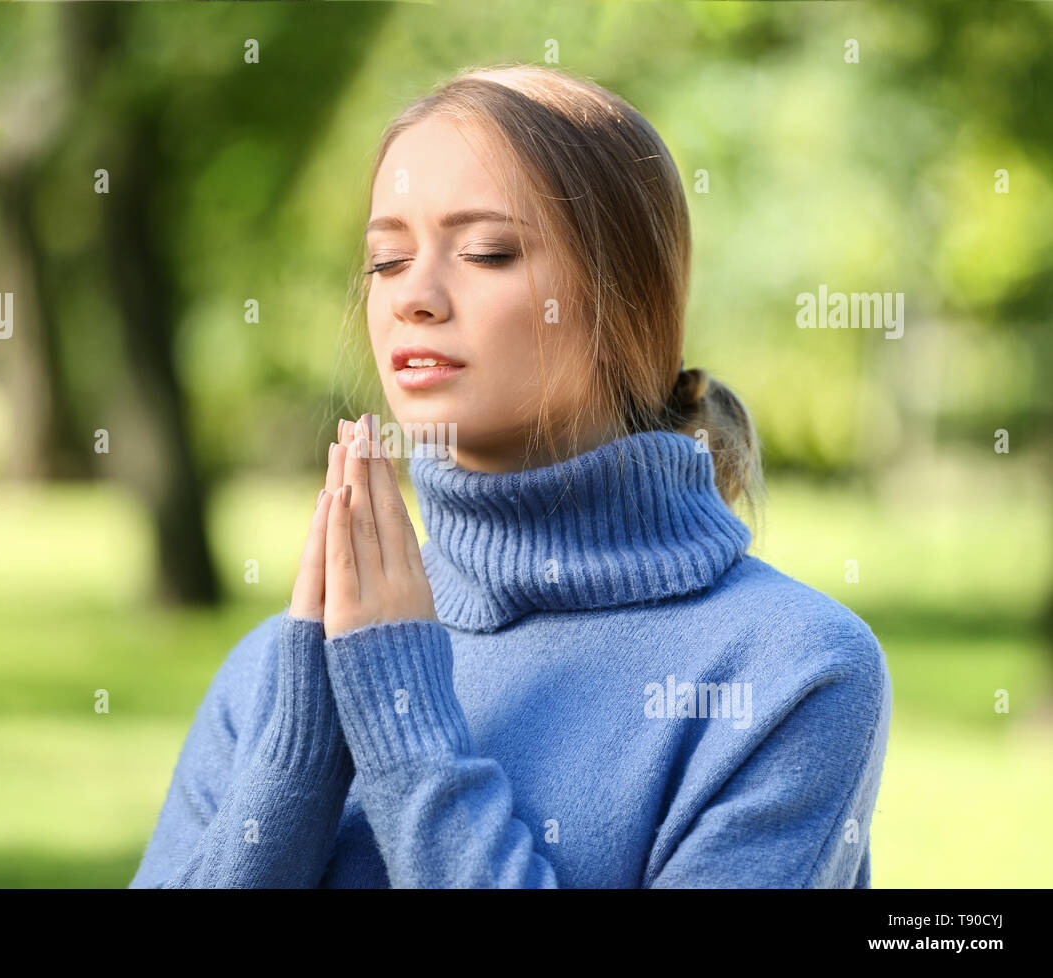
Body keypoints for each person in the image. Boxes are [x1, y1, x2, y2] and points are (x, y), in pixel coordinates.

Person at [129, 64, 892, 888]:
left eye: (487, 252)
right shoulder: (274, 674)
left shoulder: (791, 673)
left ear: (623, 302)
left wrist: (406, 737)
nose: (413, 296)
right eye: (385, 261)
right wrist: (297, 762)